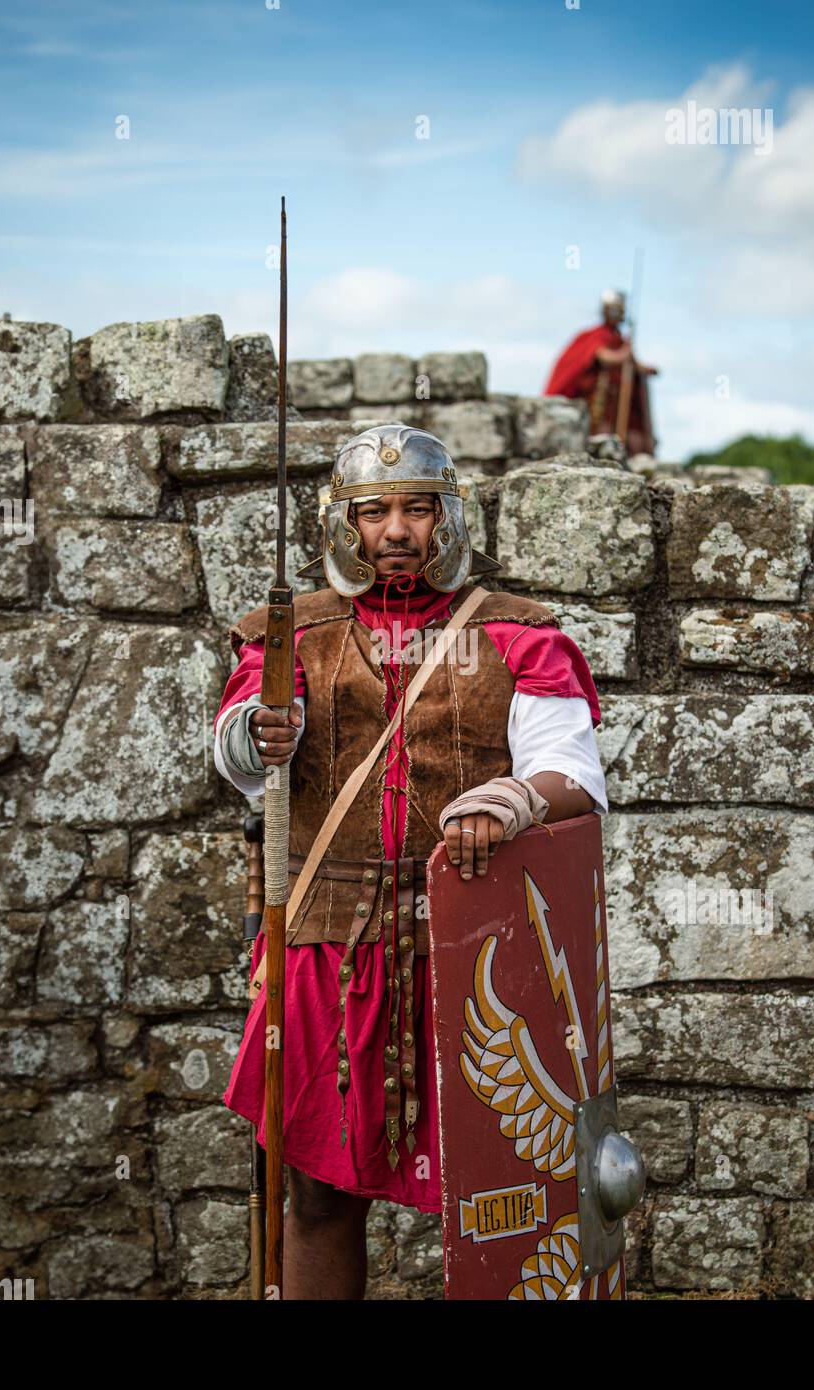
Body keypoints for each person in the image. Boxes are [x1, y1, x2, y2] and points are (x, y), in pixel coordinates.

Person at [214, 423, 609, 1299]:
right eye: (374, 511)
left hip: (473, 951)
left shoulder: (518, 634)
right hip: (326, 943)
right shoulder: (290, 637)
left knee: (502, 1193)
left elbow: (570, 769)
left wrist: (512, 799)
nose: (395, 531)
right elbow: (242, 757)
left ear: (447, 520)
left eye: (416, 510)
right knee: (317, 1196)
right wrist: (259, 731)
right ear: (343, 526)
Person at [545, 288, 658, 457]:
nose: (617, 314)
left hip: (616, 404)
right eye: (614, 310)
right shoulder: (594, 336)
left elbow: (634, 364)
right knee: (601, 432)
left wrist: (644, 368)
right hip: (598, 404)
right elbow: (604, 356)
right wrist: (622, 355)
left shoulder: (620, 340)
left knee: (629, 437)